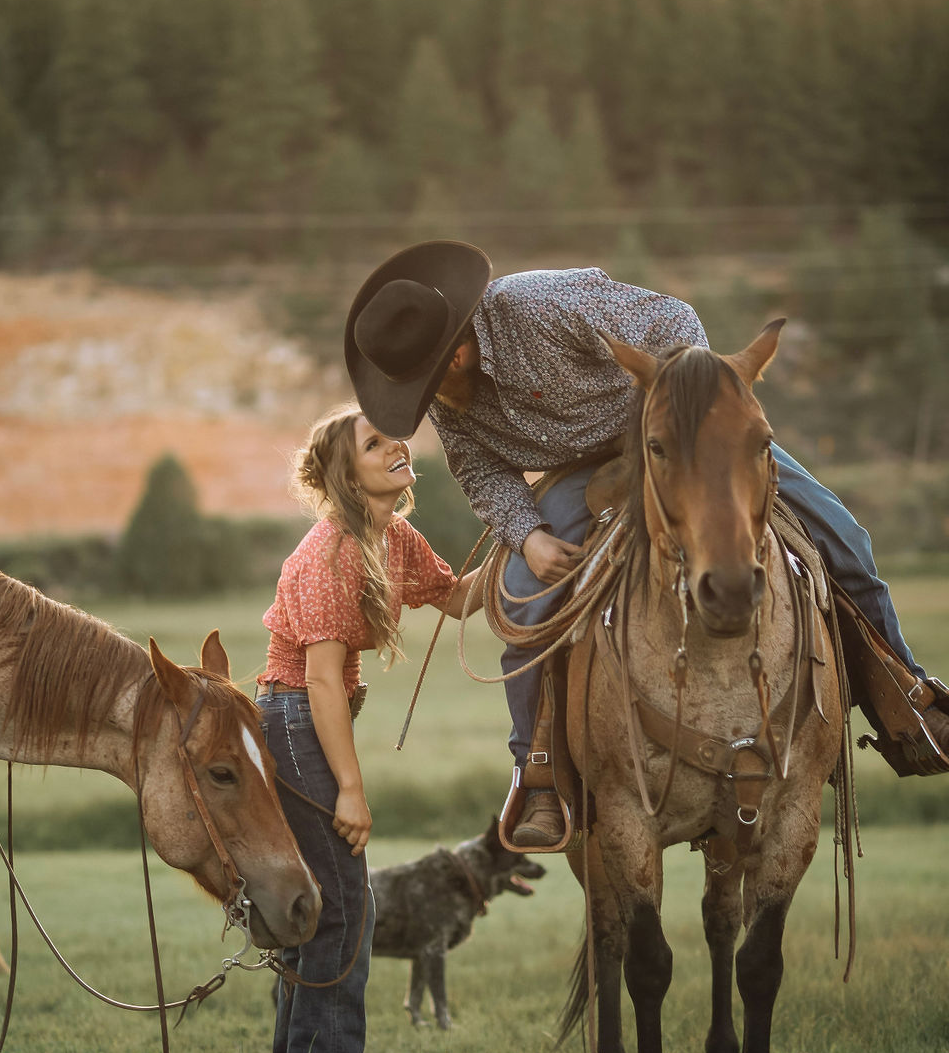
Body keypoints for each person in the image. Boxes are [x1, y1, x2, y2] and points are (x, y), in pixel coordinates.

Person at [345, 241, 949, 850]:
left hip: (678, 433)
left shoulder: (541, 305)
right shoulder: (448, 400)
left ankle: (908, 700)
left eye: (431, 381)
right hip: (581, 472)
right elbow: (481, 471)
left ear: (454, 352)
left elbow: (674, 320)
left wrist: (679, 413)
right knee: (525, 600)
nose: (432, 402)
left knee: (846, 540)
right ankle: (540, 776)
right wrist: (527, 538)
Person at [256, 403, 481, 1053]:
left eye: (394, 437)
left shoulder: (394, 538)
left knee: (317, 917)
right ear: (344, 474)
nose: (396, 446)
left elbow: (459, 598)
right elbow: (320, 682)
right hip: (295, 721)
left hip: (309, 721)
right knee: (346, 917)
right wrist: (350, 789)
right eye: (373, 443)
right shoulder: (331, 552)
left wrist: (528, 546)